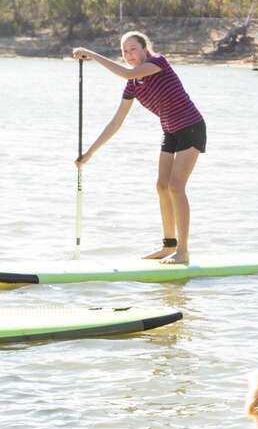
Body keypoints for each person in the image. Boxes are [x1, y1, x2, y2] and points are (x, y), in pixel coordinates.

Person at [72, 33, 206, 264]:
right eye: (124, 51)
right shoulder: (133, 85)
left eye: (132, 49)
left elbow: (126, 71)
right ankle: (169, 246)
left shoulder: (158, 63)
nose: (128, 55)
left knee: (176, 186)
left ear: (145, 49)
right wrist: (90, 153)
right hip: (171, 131)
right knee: (162, 186)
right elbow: (116, 122)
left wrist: (92, 54)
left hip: (191, 127)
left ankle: (183, 252)